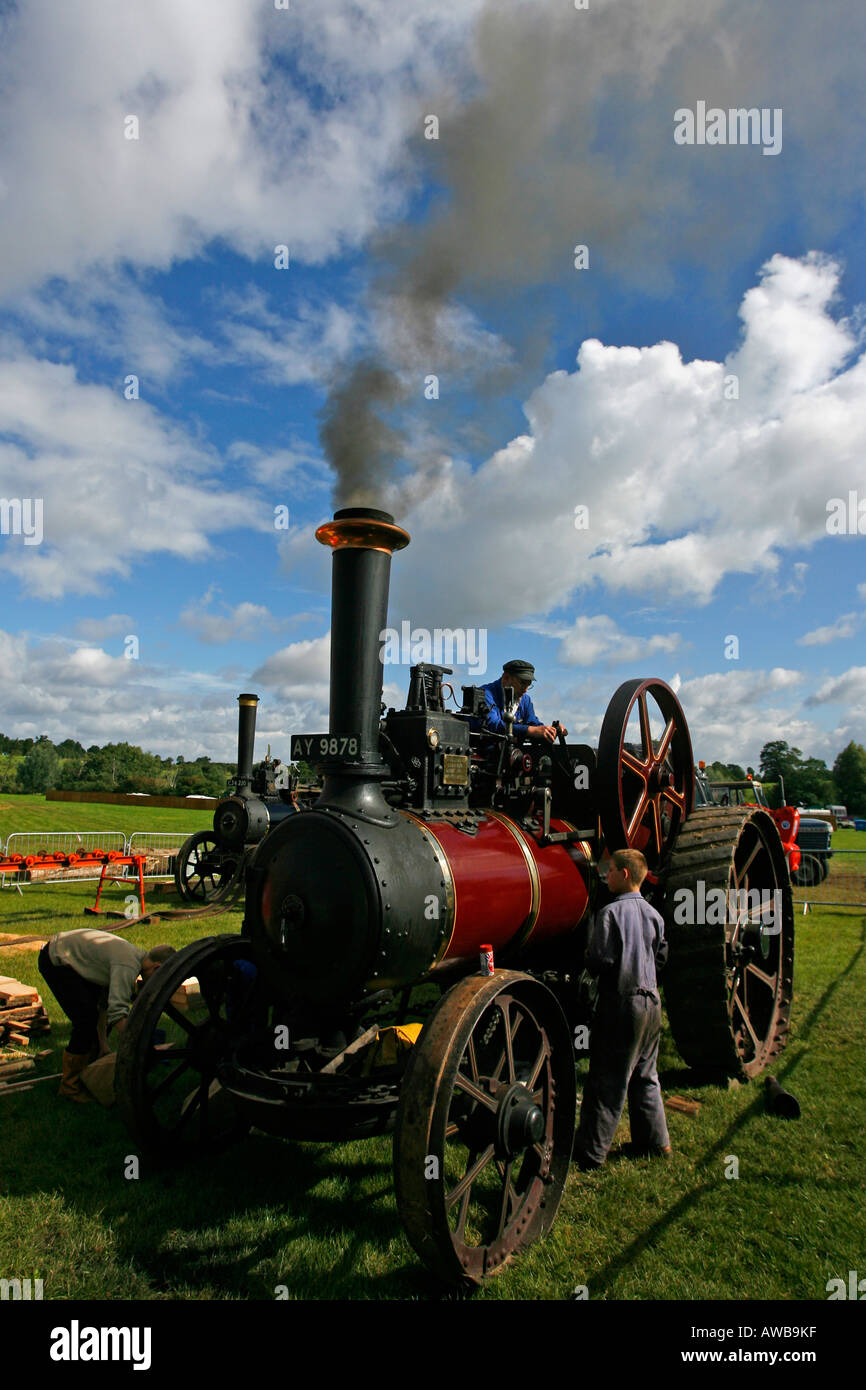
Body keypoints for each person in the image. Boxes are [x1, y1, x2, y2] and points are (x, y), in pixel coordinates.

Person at [573, 847, 671, 1169]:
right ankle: (655, 1143)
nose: (606, 875)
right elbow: (661, 958)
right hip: (652, 1004)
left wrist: (586, 954)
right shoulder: (655, 915)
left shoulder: (610, 913)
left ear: (625, 874)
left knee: (607, 1079)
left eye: (611, 870)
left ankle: (590, 1153)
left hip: (622, 1002)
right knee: (646, 1075)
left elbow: (600, 959)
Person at [38, 929, 175, 1101]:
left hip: (67, 954)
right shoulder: (128, 965)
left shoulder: (132, 958)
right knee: (85, 1021)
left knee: (91, 1014)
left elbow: (104, 1004)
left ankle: (88, 1071)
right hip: (56, 959)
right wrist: (139, 1046)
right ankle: (70, 1087)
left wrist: (104, 1045)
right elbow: (117, 1013)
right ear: (157, 968)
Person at [479, 659, 567, 743]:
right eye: (522, 683)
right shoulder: (485, 694)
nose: (525, 690)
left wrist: (551, 730)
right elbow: (492, 725)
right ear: (506, 678)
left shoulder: (525, 700)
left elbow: (534, 724)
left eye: (528, 685)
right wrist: (529, 730)